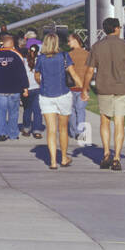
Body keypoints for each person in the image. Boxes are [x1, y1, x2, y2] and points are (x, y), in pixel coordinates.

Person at [85, 18, 125, 171]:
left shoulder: (97, 47)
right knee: (119, 123)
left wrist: (84, 88)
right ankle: (117, 158)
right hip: (123, 88)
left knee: (104, 121)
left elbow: (89, 70)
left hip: (104, 87)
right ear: (116, 28)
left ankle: (106, 152)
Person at [35, 33, 73, 169]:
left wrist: (42, 82)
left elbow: (37, 76)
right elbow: (72, 72)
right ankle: (63, 157)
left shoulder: (40, 58)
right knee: (63, 128)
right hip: (63, 94)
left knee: (51, 130)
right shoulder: (64, 56)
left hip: (46, 95)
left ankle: (52, 161)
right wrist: (83, 88)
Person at [0, 33, 30, 142]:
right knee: (13, 112)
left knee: (1, 111)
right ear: (12, 44)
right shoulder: (16, 56)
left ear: (3, 44)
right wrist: (25, 87)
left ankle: (1, 133)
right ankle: (13, 134)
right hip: (14, 89)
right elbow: (22, 73)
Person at [66, 31, 92, 143]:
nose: (68, 43)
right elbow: (90, 72)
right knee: (80, 110)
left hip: (70, 87)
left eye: (69, 40)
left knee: (71, 110)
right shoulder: (88, 54)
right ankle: (81, 133)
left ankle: (73, 132)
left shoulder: (68, 55)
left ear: (76, 40)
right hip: (84, 87)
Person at [21, 43, 44, 139]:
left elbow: (22, 75)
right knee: (37, 110)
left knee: (27, 109)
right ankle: (37, 130)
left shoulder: (24, 61)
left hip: (26, 88)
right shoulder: (40, 61)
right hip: (38, 88)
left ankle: (26, 128)